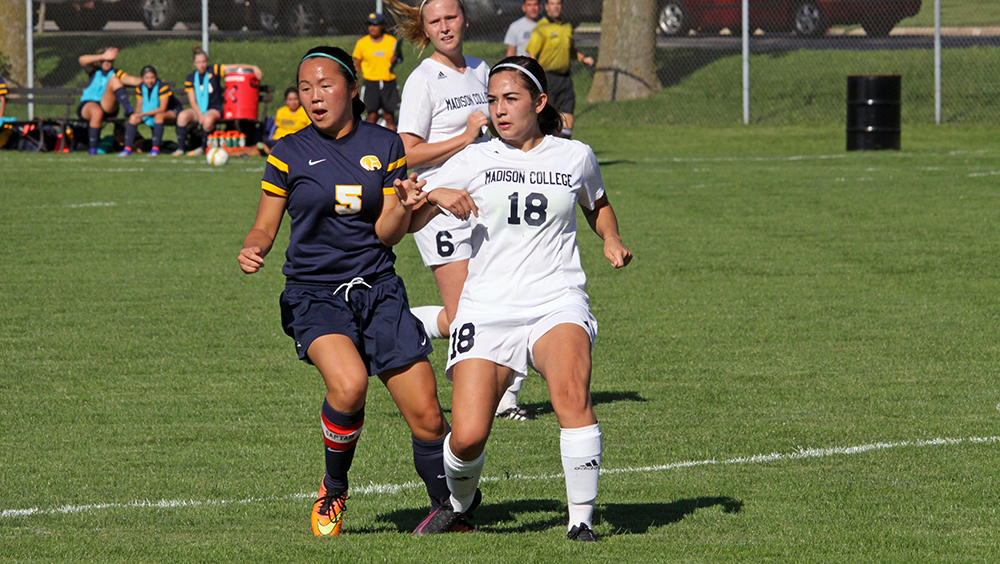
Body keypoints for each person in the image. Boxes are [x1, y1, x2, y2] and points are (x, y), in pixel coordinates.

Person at [404, 56, 632, 540]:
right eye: (492, 100)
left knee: (571, 396)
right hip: (487, 308)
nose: (499, 110)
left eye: (510, 99)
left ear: (540, 102)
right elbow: (409, 221)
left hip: (556, 299)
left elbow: (598, 203)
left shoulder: (575, 156)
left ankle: (581, 521)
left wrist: (610, 238)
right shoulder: (475, 158)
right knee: (467, 436)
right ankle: (459, 504)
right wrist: (432, 197)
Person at [237, 46, 461, 537]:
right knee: (350, 384)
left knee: (428, 417)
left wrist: (410, 204)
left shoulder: (384, 144)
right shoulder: (287, 151)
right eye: (305, 87)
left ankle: (449, 508)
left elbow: (388, 233)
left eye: (325, 85)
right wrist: (253, 248)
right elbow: (264, 227)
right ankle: (334, 487)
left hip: (379, 291)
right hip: (314, 294)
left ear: (353, 89)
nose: (314, 96)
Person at [386, 0, 534, 421]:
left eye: (450, 17)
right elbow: (406, 152)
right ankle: (502, 402)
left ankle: (393, 322)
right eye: (435, 21)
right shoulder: (422, 80)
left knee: (495, 303)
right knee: (471, 314)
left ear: (465, 19)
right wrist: (465, 138)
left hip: (484, 204)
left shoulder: (481, 69)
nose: (445, 27)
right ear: (425, 29)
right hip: (439, 209)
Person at [174, 46, 262, 156]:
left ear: (207, 62)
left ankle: (203, 148)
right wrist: (200, 114)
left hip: (214, 108)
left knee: (208, 120)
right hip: (198, 110)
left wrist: (253, 67)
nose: (202, 65)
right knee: (182, 116)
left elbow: (235, 66)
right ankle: (181, 148)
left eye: (204, 61)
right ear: (194, 63)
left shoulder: (214, 70)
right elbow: (192, 100)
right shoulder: (191, 78)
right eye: (199, 62)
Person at [525, 0, 595, 138]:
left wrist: (583, 58)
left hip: (565, 78)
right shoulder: (541, 27)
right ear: (546, 7)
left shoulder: (567, 27)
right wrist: (534, 75)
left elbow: (572, 51)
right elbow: (532, 55)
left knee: (568, 113)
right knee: (548, 116)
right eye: (552, 4)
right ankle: (547, 145)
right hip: (548, 78)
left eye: (558, 4)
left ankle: (565, 144)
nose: (556, 7)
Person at [77, 47, 142, 155]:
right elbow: (82, 60)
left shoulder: (116, 73)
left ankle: (128, 110)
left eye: (110, 60)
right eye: (104, 60)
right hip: (89, 105)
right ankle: (93, 149)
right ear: (100, 61)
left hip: (107, 106)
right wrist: (103, 56)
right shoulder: (94, 71)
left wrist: (152, 80)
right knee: (96, 112)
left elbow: (134, 81)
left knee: (114, 80)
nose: (107, 63)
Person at [353, 12, 403, 131]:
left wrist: (396, 60)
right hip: (371, 83)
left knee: (389, 116)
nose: (372, 28)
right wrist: (355, 82)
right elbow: (356, 64)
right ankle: (369, 139)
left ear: (382, 26)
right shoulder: (362, 43)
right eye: (370, 25)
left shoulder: (391, 41)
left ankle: (392, 139)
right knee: (372, 115)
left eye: (375, 25)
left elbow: (399, 58)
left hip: (388, 82)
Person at [118, 66, 184, 157]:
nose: (150, 81)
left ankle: (155, 149)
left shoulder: (162, 86)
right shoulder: (140, 87)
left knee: (159, 117)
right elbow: (139, 107)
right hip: (151, 112)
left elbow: (162, 109)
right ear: (142, 78)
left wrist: (143, 114)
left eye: (152, 77)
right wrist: (137, 115)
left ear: (156, 77)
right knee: (133, 118)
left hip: (172, 111)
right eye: (147, 78)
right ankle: (127, 149)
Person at [257, 87, 310, 156]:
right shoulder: (281, 111)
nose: (293, 102)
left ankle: (270, 151)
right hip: (277, 139)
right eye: (290, 99)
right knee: (258, 146)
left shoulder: (305, 112)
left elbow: (309, 130)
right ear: (286, 101)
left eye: (295, 99)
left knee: (282, 147)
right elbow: (274, 127)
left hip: (294, 141)